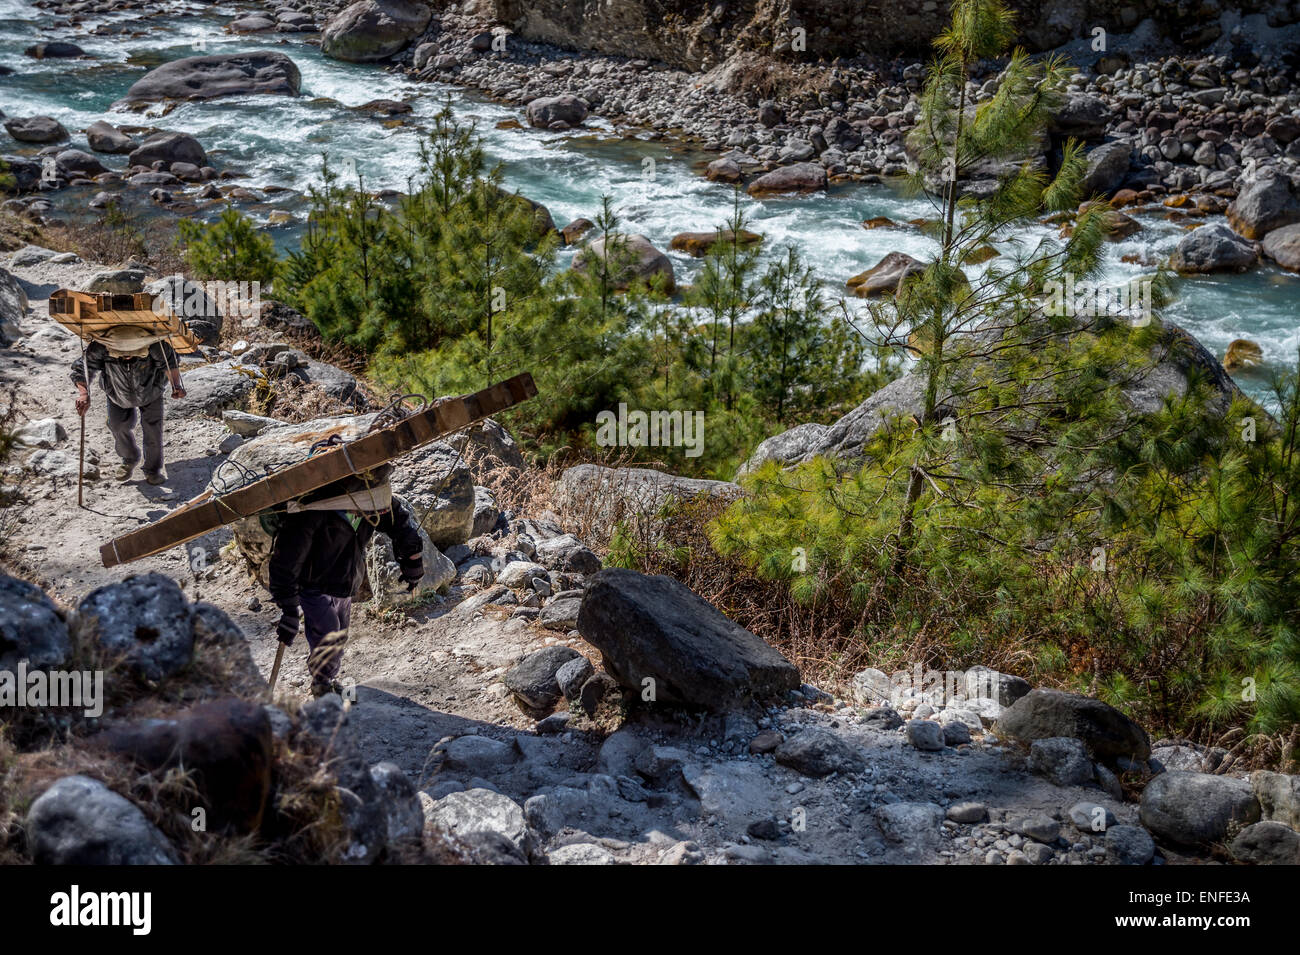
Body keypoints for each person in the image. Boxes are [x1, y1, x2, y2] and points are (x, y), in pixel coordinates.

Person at [268, 472, 424, 697]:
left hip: (345, 582)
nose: (374, 513)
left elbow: (399, 523)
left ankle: (326, 678)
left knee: (339, 635)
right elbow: (285, 562)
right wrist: (289, 610)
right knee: (328, 633)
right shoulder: (312, 511)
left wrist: (412, 561)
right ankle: (321, 684)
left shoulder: (373, 499)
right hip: (313, 585)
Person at [72, 336, 186, 485]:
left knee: (152, 429)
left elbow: (169, 363)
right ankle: (129, 458)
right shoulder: (102, 346)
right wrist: (84, 394)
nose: (127, 356)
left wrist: (176, 385)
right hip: (116, 392)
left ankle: (152, 470)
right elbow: (82, 368)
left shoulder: (154, 345)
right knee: (117, 425)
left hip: (151, 391)